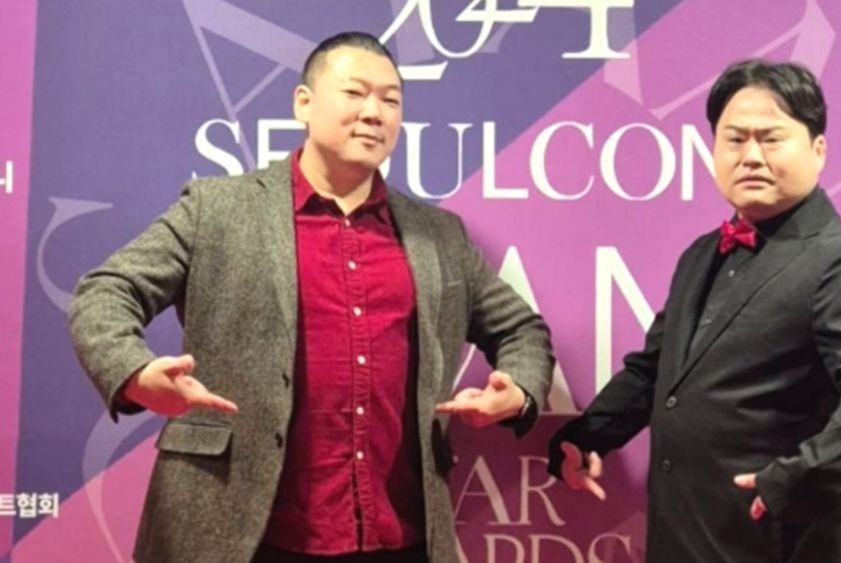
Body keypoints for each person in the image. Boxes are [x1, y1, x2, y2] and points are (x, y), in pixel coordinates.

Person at [69, 31, 553, 563]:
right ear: (303, 103)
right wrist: (134, 373)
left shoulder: (439, 235)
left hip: (400, 537)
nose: (374, 112)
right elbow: (106, 291)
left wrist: (518, 390)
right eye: (355, 93)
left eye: (391, 100)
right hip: (237, 538)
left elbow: (521, 329)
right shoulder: (217, 209)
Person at [547, 59, 841, 562]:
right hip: (683, 540)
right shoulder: (700, 255)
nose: (751, 156)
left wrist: (795, 480)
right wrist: (589, 435)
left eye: (771, 138)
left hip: (779, 544)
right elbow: (657, 371)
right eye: (735, 139)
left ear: (818, 150)